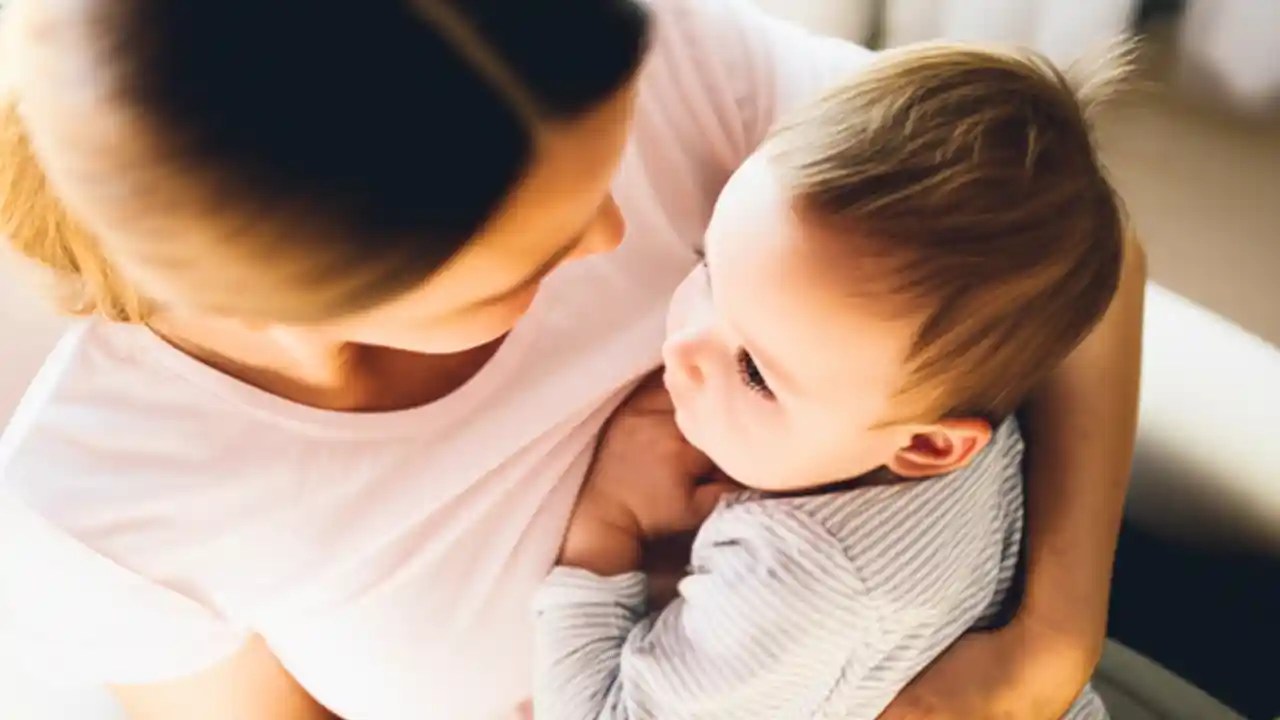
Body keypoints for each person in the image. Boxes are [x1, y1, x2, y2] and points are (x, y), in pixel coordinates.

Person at [0, 0, 1144, 718]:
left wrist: (1044, 643)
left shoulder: (635, 55)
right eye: (530, 259)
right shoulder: (102, 509)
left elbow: (1070, 238)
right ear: (301, 290)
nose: (616, 239)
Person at [534, 42, 1125, 720]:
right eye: (707, 270)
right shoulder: (942, 375)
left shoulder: (803, 583)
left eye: (755, 372)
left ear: (930, 447)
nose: (684, 348)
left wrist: (606, 521)